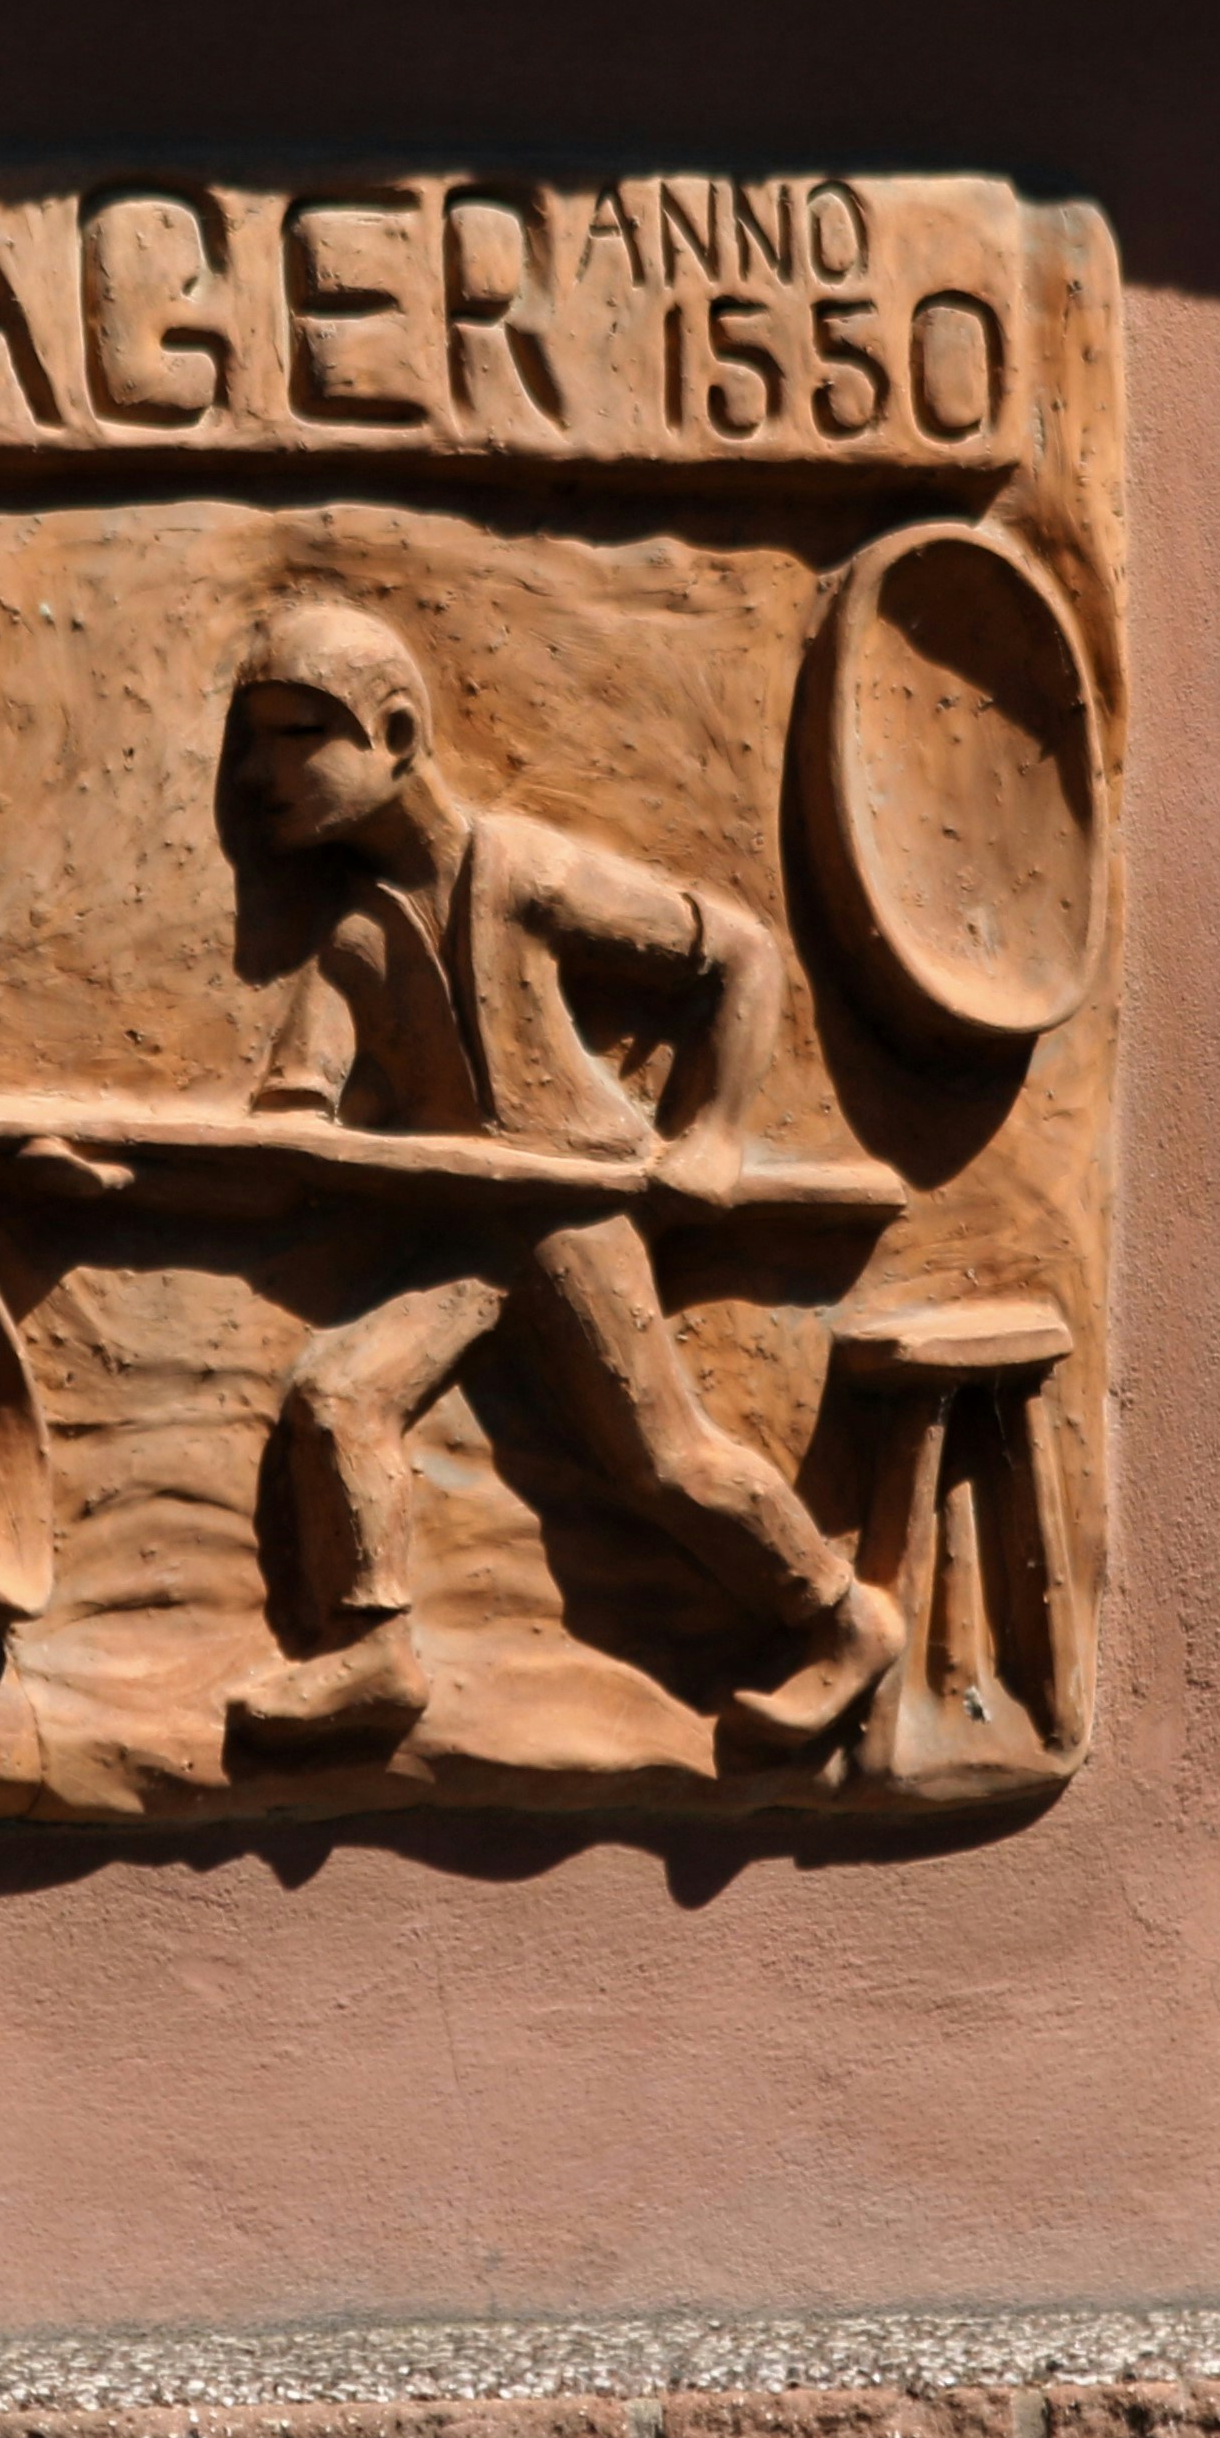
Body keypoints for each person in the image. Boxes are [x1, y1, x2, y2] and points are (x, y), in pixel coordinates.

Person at [218, 601, 903, 1754]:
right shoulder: (354, 943)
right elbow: (296, 1114)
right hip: (477, 1231)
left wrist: (712, 1134)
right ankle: (371, 1653)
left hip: (574, 1211)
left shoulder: (522, 870)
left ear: (394, 731)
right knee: (342, 1396)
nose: (258, 773)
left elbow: (737, 953)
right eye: (251, 740)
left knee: (664, 1460)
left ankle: (843, 1620)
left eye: (295, 735)